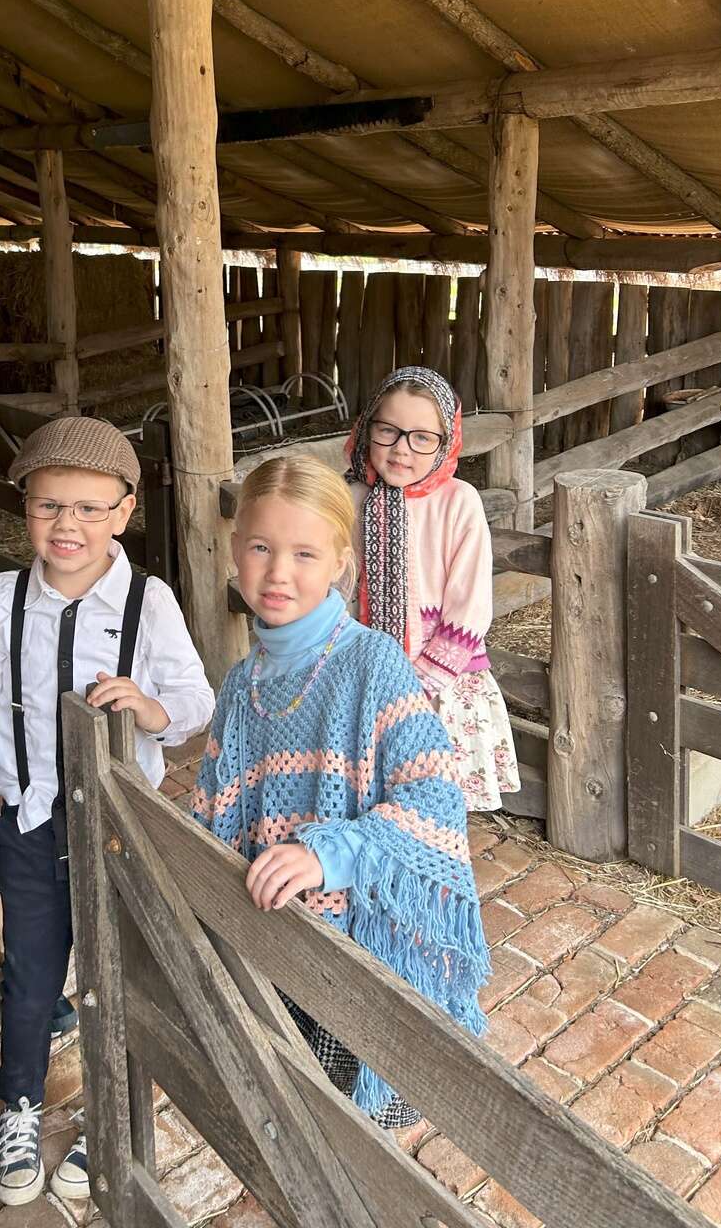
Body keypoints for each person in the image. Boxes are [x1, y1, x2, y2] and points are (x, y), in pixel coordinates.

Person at [0, 416, 214, 1208]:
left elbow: (195, 701)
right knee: (34, 976)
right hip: (32, 824)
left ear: (124, 510)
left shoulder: (150, 601)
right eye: (47, 508)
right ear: (25, 510)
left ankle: (116, 1118)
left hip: (118, 831)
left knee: (120, 976)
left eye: (86, 508)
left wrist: (149, 708)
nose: (65, 525)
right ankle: (22, 1106)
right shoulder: (7, 596)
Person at [192, 455, 489, 1128]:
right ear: (235, 552)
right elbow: (214, 811)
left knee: (349, 1136)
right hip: (277, 947)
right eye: (261, 548)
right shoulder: (243, 684)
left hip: (353, 954)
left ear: (339, 563)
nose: (278, 572)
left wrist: (332, 852)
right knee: (290, 1116)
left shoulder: (371, 664)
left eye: (304, 552)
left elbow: (435, 797)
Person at [346, 365, 519, 812]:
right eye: (389, 431)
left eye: (423, 437)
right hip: (361, 679)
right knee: (365, 797)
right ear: (367, 429)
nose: (403, 450)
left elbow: (469, 609)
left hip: (438, 686)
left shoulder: (458, 503)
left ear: (446, 442)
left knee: (431, 804)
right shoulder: (350, 500)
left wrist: (415, 688)